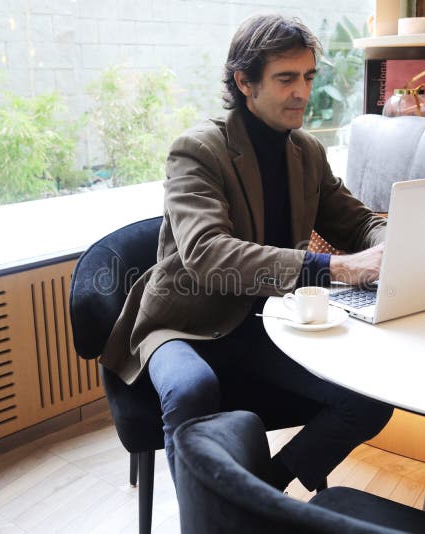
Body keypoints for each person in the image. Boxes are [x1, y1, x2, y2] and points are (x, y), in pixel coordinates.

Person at [101, 13, 393, 492]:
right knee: (193, 389)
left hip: (267, 323)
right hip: (185, 322)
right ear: (244, 82)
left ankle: (261, 491)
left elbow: (357, 221)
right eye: (286, 79)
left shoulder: (307, 153)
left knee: (370, 396)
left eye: (308, 77)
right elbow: (207, 253)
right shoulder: (198, 150)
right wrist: (336, 268)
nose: (302, 91)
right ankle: (207, 519)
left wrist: (394, 245)